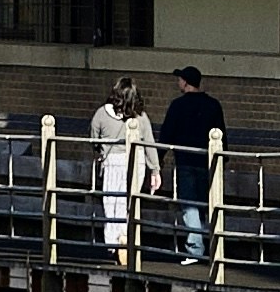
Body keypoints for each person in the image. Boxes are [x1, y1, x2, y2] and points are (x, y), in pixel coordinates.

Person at [155, 64, 228, 265]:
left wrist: (158, 159)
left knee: (189, 206)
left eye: (180, 79)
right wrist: (223, 159)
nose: (178, 82)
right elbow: (221, 133)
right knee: (206, 205)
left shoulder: (177, 105)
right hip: (208, 161)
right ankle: (212, 247)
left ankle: (195, 249)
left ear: (185, 82)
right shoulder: (213, 105)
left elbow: (167, 134)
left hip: (185, 161)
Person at [85, 81, 146, 262]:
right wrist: (156, 169)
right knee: (129, 202)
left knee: (112, 202)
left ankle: (116, 240)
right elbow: (149, 140)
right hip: (137, 160)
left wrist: (100, 151)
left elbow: (93, 139)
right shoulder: (140, 116)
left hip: (114, 161)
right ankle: (128, 238)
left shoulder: (102, 114)